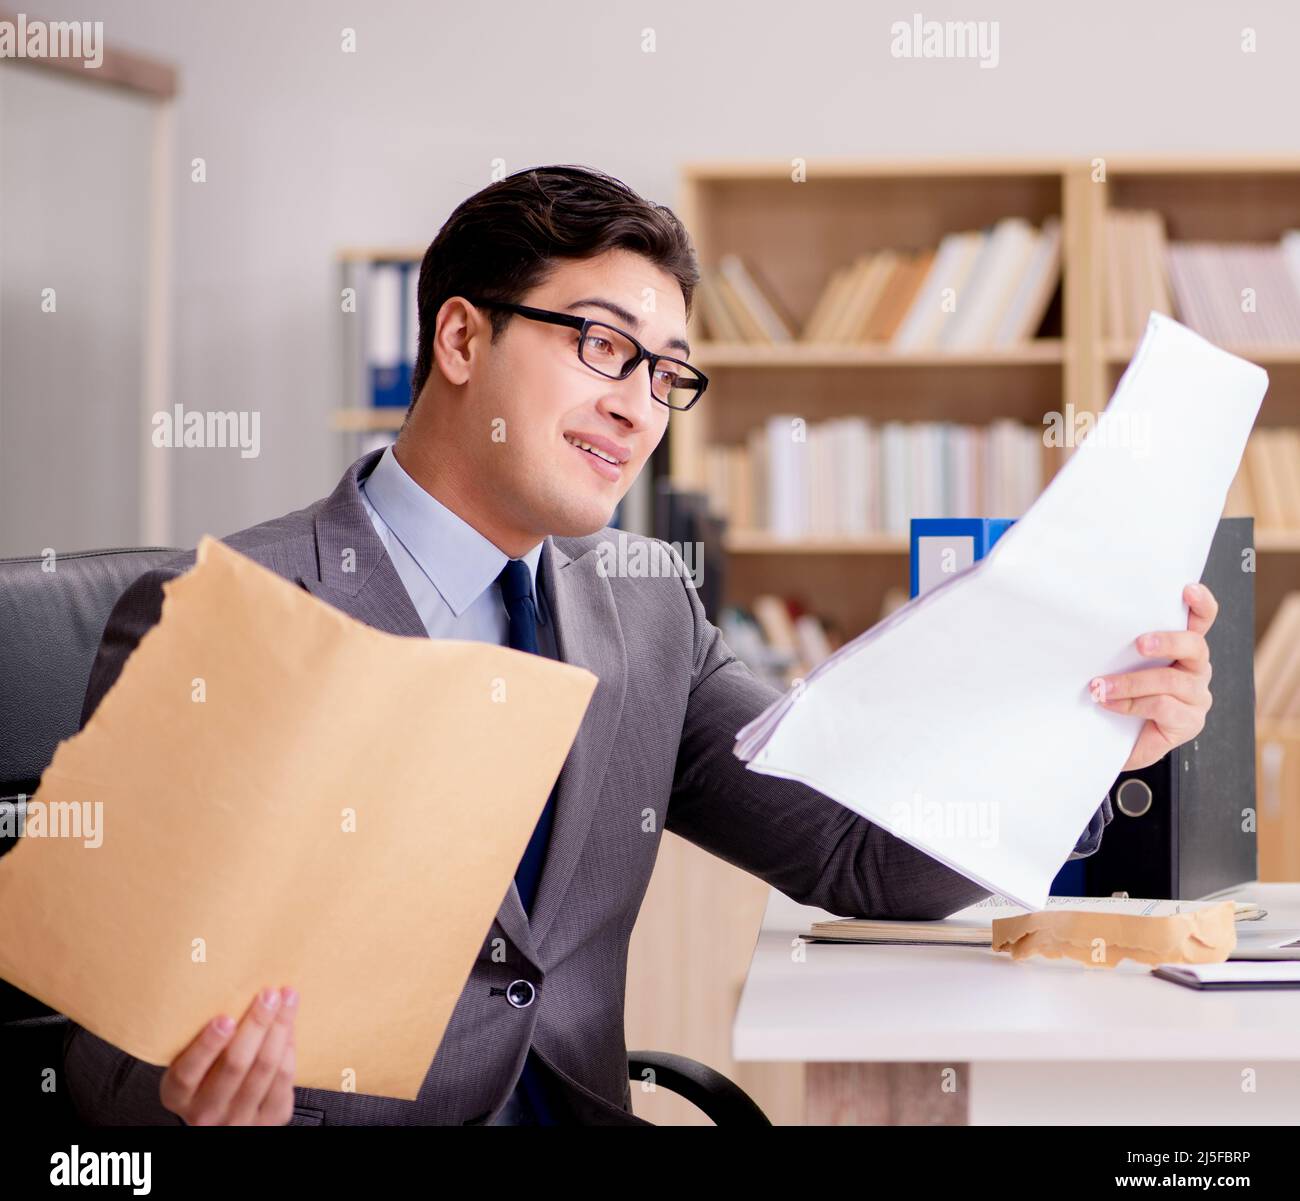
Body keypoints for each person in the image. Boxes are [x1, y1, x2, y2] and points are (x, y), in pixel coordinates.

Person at [63, 165, 1216, 1126]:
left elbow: (860, 860)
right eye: (603, 347)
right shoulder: (218, 615)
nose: (639, 407)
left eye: (667, 374)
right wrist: (190, 1107)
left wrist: (1091, 728)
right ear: (461, 339)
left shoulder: (644, 607)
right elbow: (105, 1059)